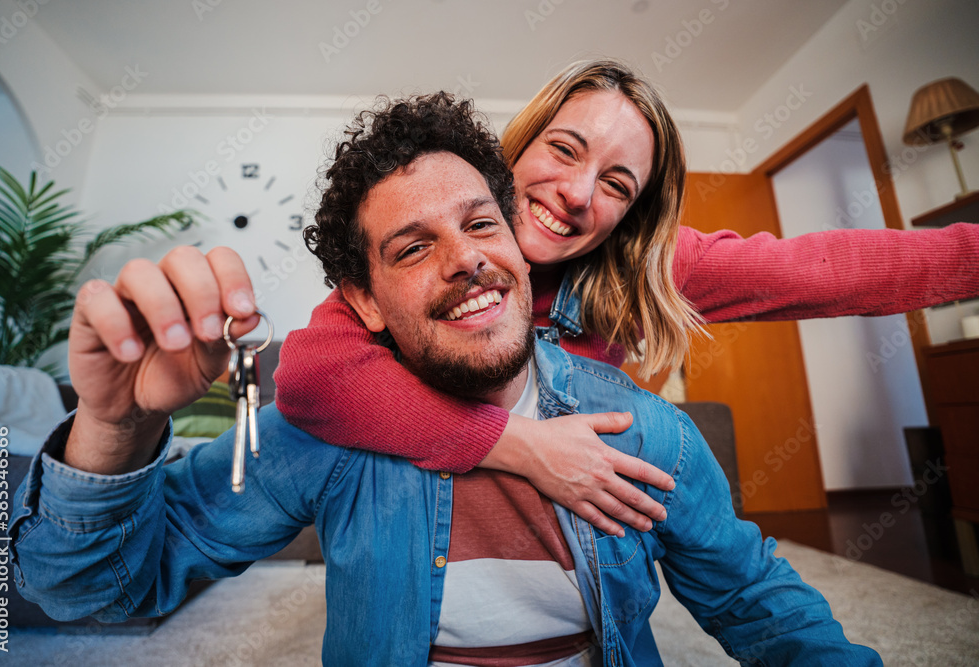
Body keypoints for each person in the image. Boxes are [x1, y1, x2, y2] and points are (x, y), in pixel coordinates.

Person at [10, 93, 881, 666]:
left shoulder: (646, 434)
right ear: (366, 300)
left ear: (519, 240)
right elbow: (87, 592)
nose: (468, 261)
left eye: (482, 224)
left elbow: (759, 601)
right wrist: (113, 422)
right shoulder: (322, 435)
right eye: (414, 246)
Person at [274, 58, 979, 537]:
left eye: (617, 184)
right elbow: (307, 375)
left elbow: (822, 269)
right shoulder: (426, 240)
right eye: (565, 150)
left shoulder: (644, 266)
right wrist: (517, 444)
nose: (579, 194)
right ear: (516, 147)